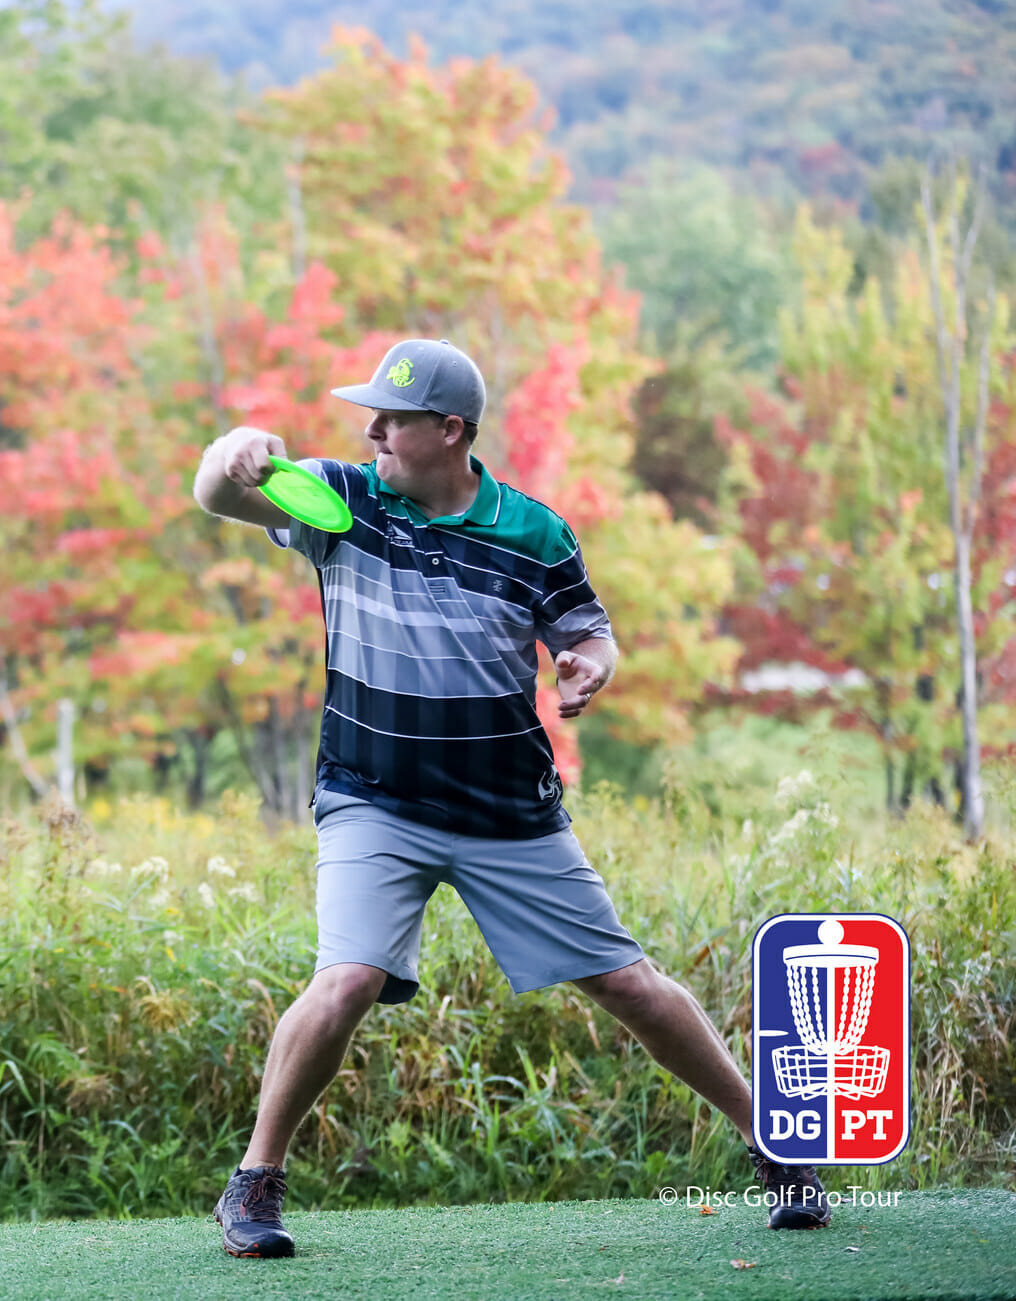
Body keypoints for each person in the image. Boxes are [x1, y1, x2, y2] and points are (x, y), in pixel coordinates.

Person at [190, 339, 829, 1259]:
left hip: (507, 812)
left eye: (394, 419)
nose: (372, 430)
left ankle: (779, 1148)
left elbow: (591, 630)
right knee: (348, 979)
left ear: (450, 431)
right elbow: (218, 494)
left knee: (629, 984)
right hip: (373, 798)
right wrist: (237, 446)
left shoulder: (534, 532)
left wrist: (587, 666)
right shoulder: (346, 500)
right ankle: (253, 1183)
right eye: (369, 415)